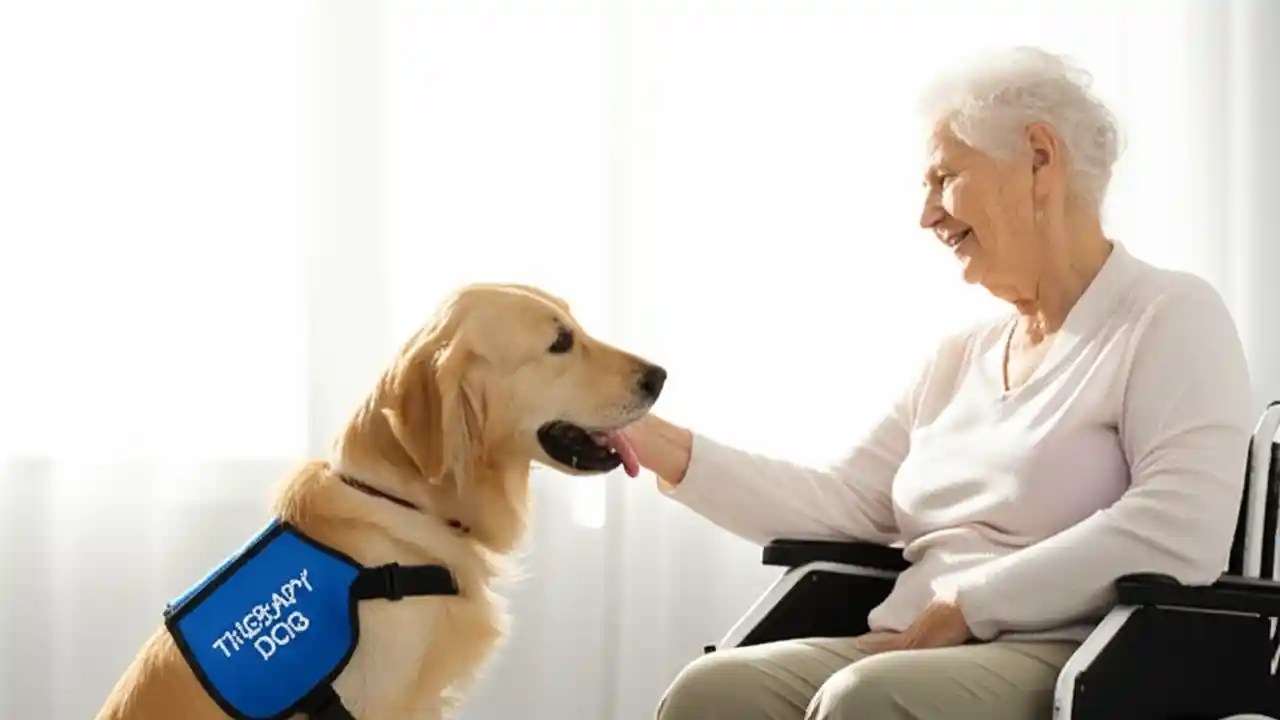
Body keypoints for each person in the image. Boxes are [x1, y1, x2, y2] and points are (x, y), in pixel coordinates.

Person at [619, 46, 1255, 720]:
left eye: (945, 178)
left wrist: (970, 603)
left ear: (1040, 159)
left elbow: (1180, 530)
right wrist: (651, 437)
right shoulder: (960, 356)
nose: (926, 214)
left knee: (863, 700)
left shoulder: (1168, 317)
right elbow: (842, 503)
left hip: (1074, 651)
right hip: (916, 641)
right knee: (711, 691)